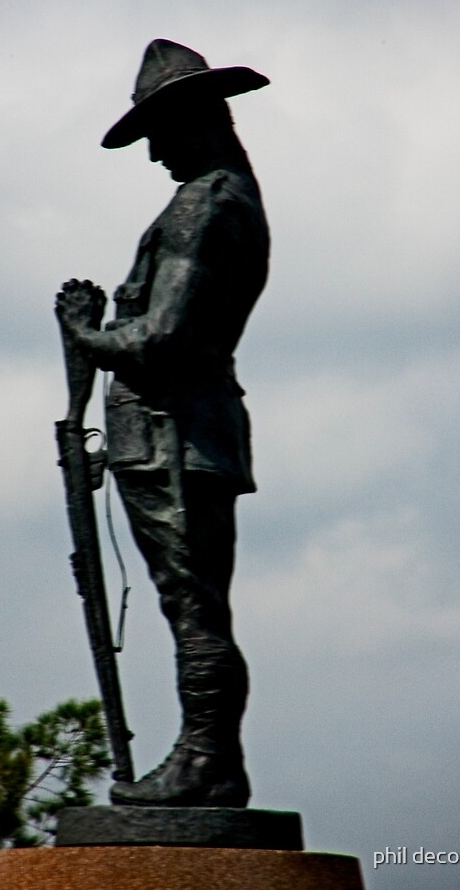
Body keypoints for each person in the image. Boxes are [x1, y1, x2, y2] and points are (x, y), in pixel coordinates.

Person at [58, 39, 269, 807]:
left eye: (157, 135)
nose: (152, 157)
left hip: (172, 438)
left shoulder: (203, 206)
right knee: (194, 606)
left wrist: (85, 335)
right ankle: (212, 762)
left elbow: (163, 337)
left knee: (192, 609)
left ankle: (204, 762)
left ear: (195, 120)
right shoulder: (230, 198)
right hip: (184, 435)